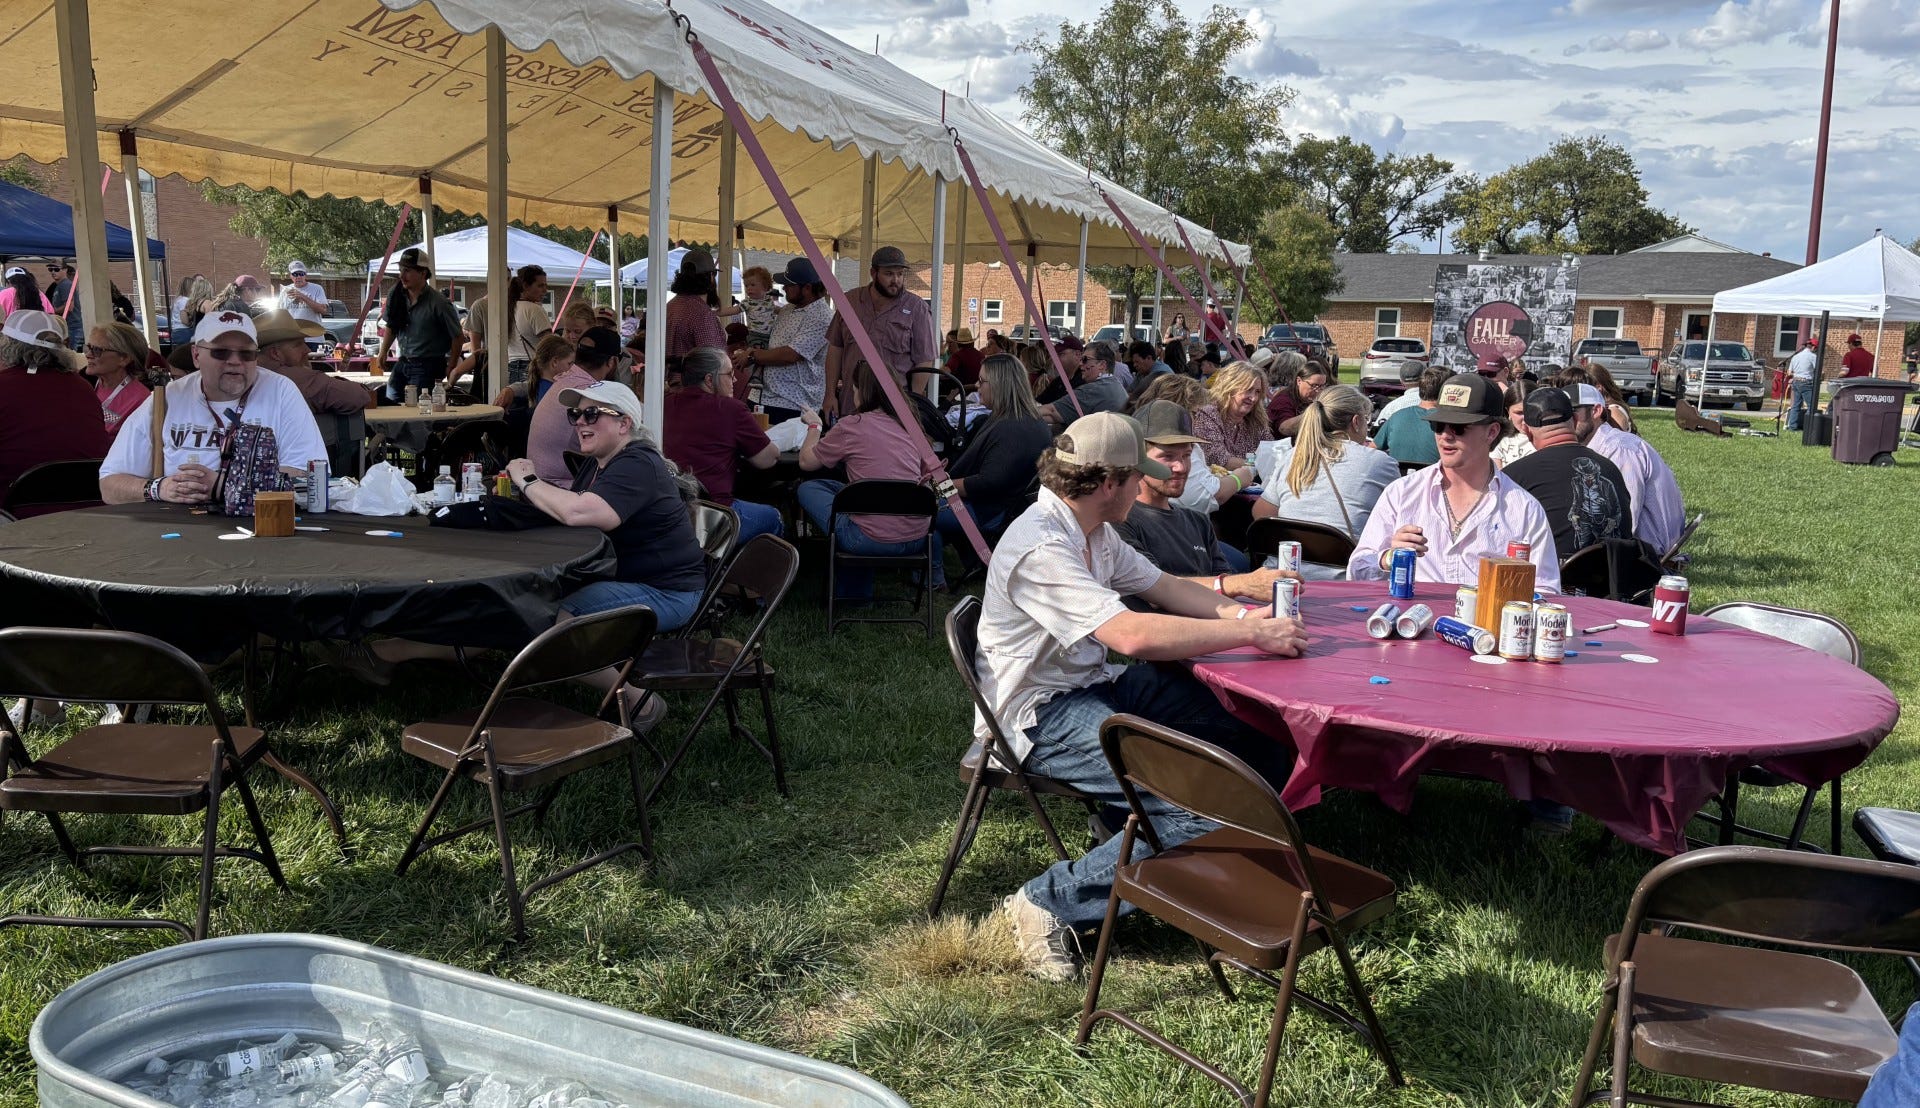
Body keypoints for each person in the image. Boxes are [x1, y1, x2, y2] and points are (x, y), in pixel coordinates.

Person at [978, 410, 1307, 980]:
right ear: (1109, 484)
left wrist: (1238, 611)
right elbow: (1130, 634)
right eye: (1138, 476)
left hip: (1090, 689)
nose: (1146, 485)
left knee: (1253, 724)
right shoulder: (1042, 546)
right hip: (1038, 721)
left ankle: (1220, 865)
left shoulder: (1094, 530)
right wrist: (1248, 631)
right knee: (1201, 800)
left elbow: (1165, 587)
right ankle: (1046, 902)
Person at [1348, 373, 1560, 590]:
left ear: (1492, 431)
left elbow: (1546, 590)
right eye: (1438, 425)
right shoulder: (1402, 493)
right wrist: (1389, 559)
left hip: (1487, 621)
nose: (1446, 436)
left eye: (1459, 428)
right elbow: (1357, 570)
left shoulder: (1523, 509)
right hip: (1413, 620)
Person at [99, 310, 327, 505]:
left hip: (259, 528)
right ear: (196, 355)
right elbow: (109, 485)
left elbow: (310, 479)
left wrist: (224, 486)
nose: (235, 361)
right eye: (221, 352)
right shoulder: (168, 397)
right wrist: (159, 489)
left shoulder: (280, 391)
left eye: (247, 353)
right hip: (178, 533)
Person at [1116, 401, 1293, 597]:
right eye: (1167, 456)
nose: (1181, 467)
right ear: (1138, 458)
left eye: (1187, 455)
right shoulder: (1121, 521)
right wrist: (1238, 584)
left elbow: (1226, 590)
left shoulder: (1198, 522)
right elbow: (1151, 589)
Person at [795, 366, 942, 596]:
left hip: (866, 538)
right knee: (848, 494)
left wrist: (815, 426)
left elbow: (806, 462)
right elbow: (930, 475)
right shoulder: (912, 427)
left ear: (859, 391)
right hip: (917, 537)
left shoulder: (851, 426)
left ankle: (853, 593)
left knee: (808, 488)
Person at [1253, 385, 1400, 576]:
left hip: (1284, 575)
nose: (1367, 425)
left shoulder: (1293, 456)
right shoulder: (1380, 462)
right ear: (1356, 421)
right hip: (1347, 582)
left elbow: (1261, 512)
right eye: (1367, 419)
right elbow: (1400, 522)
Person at [935, 353, 1051, 563]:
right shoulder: (1019, 419)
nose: (977, 386)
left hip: (984, 512)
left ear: (1000, 384)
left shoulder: (1013, 428)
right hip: (993, 508)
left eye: (982, 381)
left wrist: (940, 487)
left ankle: (929, 573)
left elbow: (988, 482)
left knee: (916, 508)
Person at [663, 347, 783, 542]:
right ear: (710, 379)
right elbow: (768, 459)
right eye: (729, 374)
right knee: (773, 517)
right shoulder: (731, 408)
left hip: (669, 511)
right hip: (713, 515)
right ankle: (741, 570)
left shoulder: (664, 405)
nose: (734, 380)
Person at [1501, 386, 1634, 557]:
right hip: (1615, 575)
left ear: (1526, 429)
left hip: (1552, 578)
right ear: (1575, 419)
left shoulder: (1514, 475)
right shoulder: (1610, 468)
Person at [0, 310, 111, 506]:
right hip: (88, 506)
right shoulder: (82, 387)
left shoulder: (4, 385)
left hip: (16, 513)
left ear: (8, 346)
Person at [1564, 382, 1685, 556]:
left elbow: (1626, 518)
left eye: (1573, 412)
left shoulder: (1619, 449)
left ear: (1596, 411)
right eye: (1562, 415)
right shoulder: (1604, 446)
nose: (1567, 420)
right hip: (1632, 553)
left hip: (1645, 560)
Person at [824, 245, 936, 415]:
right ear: (873, 273)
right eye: (889, 274)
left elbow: (925, 359)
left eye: (900, 274)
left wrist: (913, 401)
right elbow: (835, 349)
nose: (896, 280)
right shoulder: (850, 301)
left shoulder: (916, 308)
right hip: (850, 404)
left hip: (893, 408)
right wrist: (830, 394)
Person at [738, 258, 832, 425]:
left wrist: (753, 355)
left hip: (792, 404)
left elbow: (791, 354)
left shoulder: (822, 317)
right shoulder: (787, 309)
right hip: (761, 396)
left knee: (778, 451)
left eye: (789, 285)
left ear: (808, 288)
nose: (784, 288)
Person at [525, 325, 620, 484]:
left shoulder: (563, 381)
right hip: (560, 490)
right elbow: (614, 449)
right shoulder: (590, 393)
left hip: (538, 485)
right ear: (612, 361)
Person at [374, 248, 462, 402]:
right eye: (400, 270)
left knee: (419, 412)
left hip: (428, 365)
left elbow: (458, 336)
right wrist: (383, 352)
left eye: (407, 271)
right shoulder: (397, 295)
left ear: (423, 273)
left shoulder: (439, 303)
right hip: (403, 362)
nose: (402, 275)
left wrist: (452, 365)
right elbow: (392, 326)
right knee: (390, 404)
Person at [253, 310, 374, 416]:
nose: (307, 349)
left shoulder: (249, 374)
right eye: (298, 344)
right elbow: (359, 397)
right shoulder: (299, 379)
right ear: (275, 353)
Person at [468, 264, 552, 388]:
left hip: (511, 367)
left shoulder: (510, 307)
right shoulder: (534, 309)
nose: (545, 290)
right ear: (525, 286)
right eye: (540, 285)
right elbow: (550, 344)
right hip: (530, 366)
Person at [1190, 362, 1269, 468]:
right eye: (1248, 390)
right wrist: (1258, 465)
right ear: (1230, 388)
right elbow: (1218, 459)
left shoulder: (1256, 419)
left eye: (1257, 392)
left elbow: (1270, 450)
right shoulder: (1208, 415)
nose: (1253, 398)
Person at [85, 322, 153, 444]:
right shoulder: (85, 384)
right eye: (88, 348)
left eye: (96, 350)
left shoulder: (140, 401)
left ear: (124, 358)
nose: (88, 355)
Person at [664, 250, 727, 380]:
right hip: (692, 389)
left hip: (664, 387)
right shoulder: (702, 314)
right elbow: (714, 362)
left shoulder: (669, 307)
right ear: (710, 277)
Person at [1040, 339, 1126, 425]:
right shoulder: (1116, 385)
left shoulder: (1092, 390)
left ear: (1102, 365)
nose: (1080, 363)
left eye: (1085, 359)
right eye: (1081, 359)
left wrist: (1026, 414)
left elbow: (1051, 411)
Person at [493, 332, 575, 412]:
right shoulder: (554, 393)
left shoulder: (537, 385)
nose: (572, 368)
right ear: (555, 362)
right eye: (569, 364)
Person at [1264, 351, 1327, 437]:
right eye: (1314, 386)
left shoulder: (1309, 398)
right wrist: (1315, 411)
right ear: (1299, 381)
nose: (1318, 391)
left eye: (1321, 386)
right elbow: (1284, 428)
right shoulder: (1284, 399)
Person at [719, 265, 779, 350]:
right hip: (755, 335)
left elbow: (776, 309)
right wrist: (716, 312)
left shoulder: (769, 301)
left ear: (765, 287)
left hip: (771, 335)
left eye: (752, 285)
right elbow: (734, 310)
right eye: (746, 286)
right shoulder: (747, 302)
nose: (748, 288)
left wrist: (786, 310)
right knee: (756, 353)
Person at [1370, 359, 1427, 431]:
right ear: (1425, 380)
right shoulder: (1436, 403)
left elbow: (1377, 432)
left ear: (1401, 382)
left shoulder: (1392, 407)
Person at [1784, 338, 1819, 431]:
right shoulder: (1813, 356)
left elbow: (1789, 372)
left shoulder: (1795, 356)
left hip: (1795, 382)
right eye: (1816, 348)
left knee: (1796, 405)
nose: (1816, 350)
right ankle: (1810, 427)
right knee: (1811, 406)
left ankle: (1792, 426)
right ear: (1814, 347)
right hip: (1806, 383)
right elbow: (1819, 371)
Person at [280, 261, 329, 326]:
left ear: (305, 275)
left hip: (313, 334)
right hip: (294, 334)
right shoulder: (285, 290)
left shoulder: (317, 288)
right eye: (295, 274)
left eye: (301, 274)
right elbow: (280, 313)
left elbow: (323, 310)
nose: (298, 277)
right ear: (291, 276)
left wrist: (303, 296)